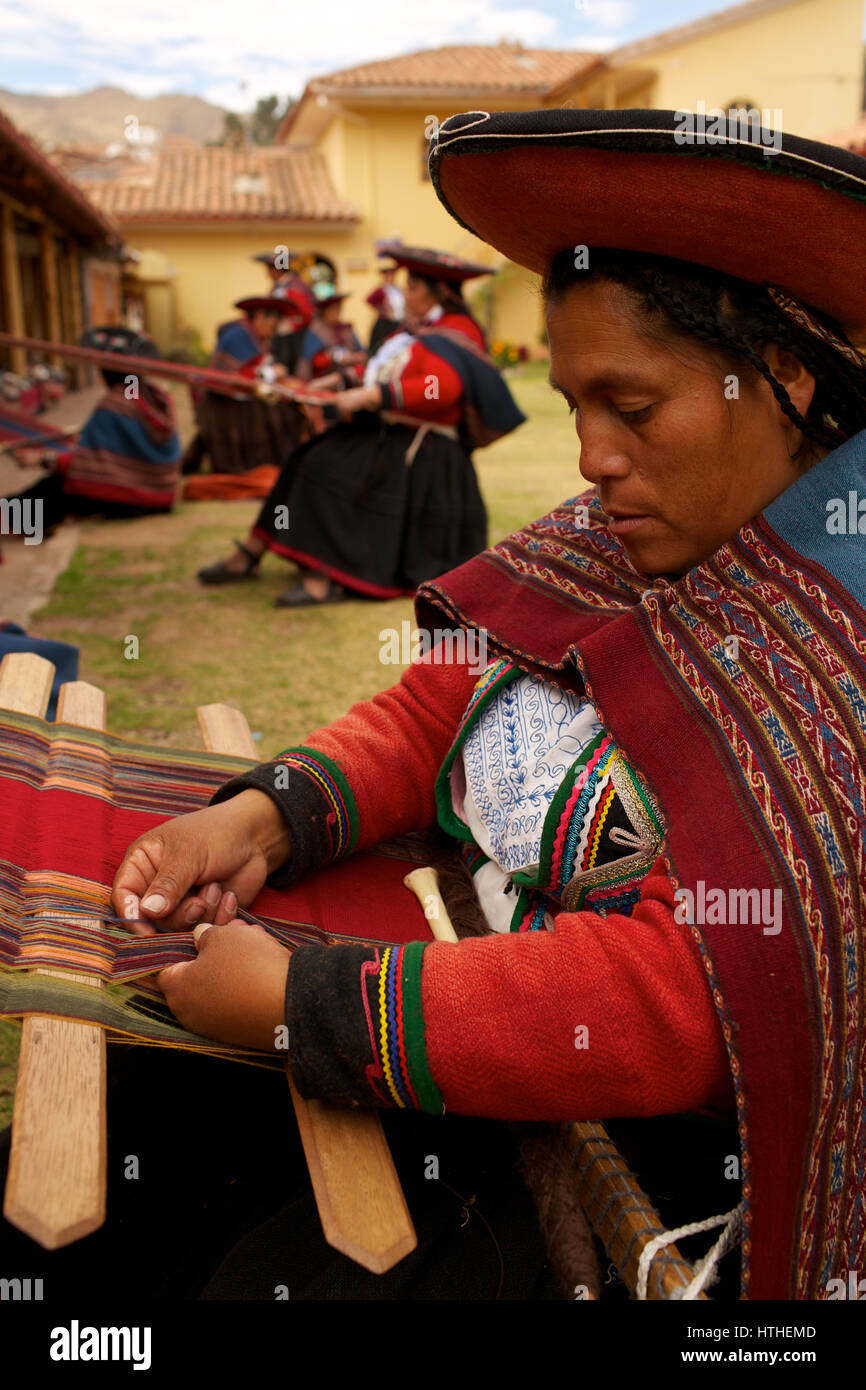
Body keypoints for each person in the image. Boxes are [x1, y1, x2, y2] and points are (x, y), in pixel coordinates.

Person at [4, 109, 864, 1303]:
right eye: (573, 405)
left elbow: (685, 990)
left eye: (633, 406)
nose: (589, 459)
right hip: (452, 988)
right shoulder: (609, 545)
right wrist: (261, 817)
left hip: (659, 1174)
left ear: (786, 379)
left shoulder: (838, 648)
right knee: (114, 1185)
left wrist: (315, 1006)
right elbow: (430, 715)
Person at [196, 244, 524, 603]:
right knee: (306, 456)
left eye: (412, 287)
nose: (405, 295)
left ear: (439, 292)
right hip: (392, 435)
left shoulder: (456, 331)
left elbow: (440, 390)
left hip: (427, 452)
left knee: (323, 467)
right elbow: (379, 367)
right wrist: (336, 382)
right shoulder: (415, 331)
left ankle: (325, 576)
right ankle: (252, 551)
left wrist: (369, 397)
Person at [4, 326, 181, 526]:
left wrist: (43, 459)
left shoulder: (116, 403)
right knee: (51, 490)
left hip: (134, 496)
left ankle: (8, 516)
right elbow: (104, 454)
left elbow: (86, 465)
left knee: (52, 490)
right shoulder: (149, 395)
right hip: (158, 491)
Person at [182, 293, 311, 494]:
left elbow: (256, 370)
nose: (273, 331)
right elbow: (233, 378)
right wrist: (270, 372)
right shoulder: (237, 336)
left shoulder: (259, 338)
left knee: (288, 409)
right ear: (260, 316)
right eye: (272, 324)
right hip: (226, 407)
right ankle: (260, 467)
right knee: (278, 413)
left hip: (245, 400)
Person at [252, 249, 316, 375]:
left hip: (293, 336)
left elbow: (306, 312)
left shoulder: (294, 286)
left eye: (271, 268)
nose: (269, 273)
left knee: (289, 368)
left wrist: (293, 324)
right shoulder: (277, 287)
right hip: (279, 334)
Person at [295, 284, 366, 387]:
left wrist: (358, 357)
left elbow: (361, 350)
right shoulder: (316, 330)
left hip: (349, 378)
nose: (337, 314)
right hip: (322, 379)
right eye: (333, 310)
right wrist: (335, 357)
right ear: (325, 311)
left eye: (338, 310)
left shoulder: (346, 329)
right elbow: (312, 360)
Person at [365, 260, 406, 353]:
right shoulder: (382, 289)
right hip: (386, 325)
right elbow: (369, 300)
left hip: (398, 322)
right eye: (388, 275)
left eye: (392, 275)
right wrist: (381, 309)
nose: (391, 277)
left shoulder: (397, 289)